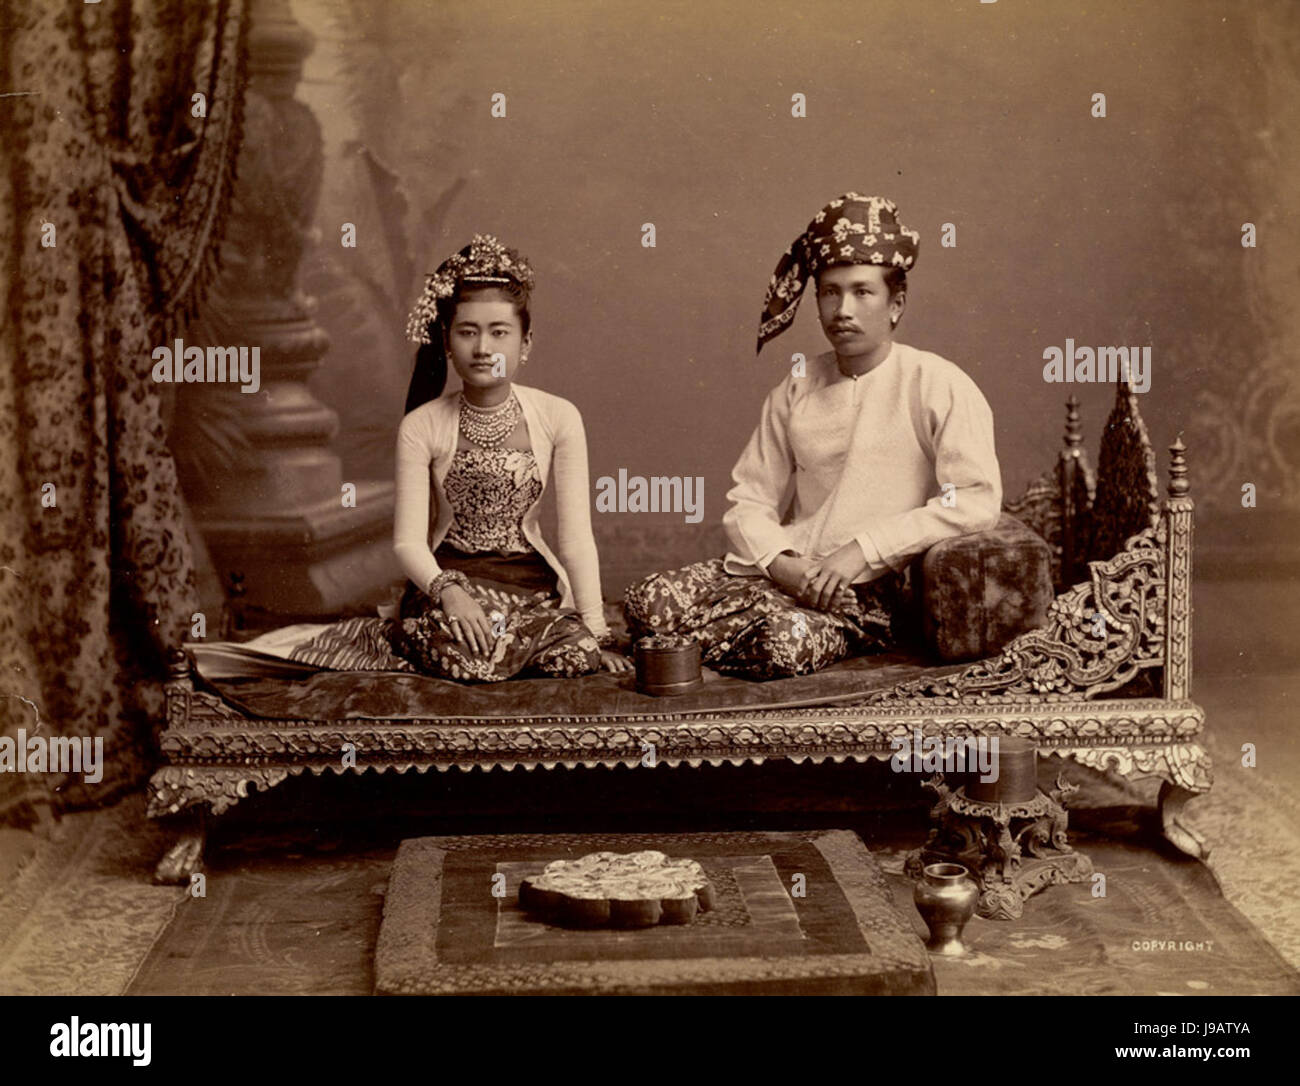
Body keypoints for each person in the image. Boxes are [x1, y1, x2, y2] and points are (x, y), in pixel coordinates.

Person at [625, 194, 1003, 679]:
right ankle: (721, 637)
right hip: (787, 576)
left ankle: (698, 648)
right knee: (645, 602)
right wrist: (783, 564)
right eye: (829, 292)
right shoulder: (799, 384)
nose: (843, 309)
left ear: (896, 304)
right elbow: (748, 499)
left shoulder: (936, 382)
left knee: (781, 643)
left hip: (863, 593)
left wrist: (862, 551)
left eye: (863, 292)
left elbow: (974, 499)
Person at [389, 234, 631, 681]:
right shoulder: (421, 425)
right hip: (453, 587)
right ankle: (499, 646)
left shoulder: (558, 416)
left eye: (499, 332)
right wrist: (448, 591)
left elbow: (576, 538)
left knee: (576, 654)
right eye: (468, 332)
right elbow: (407, 542)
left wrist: (595, 631)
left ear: (525, 342)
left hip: (529, 587)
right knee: (460, 645)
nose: (483, 348)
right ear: (446, 340)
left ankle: (519, 645)